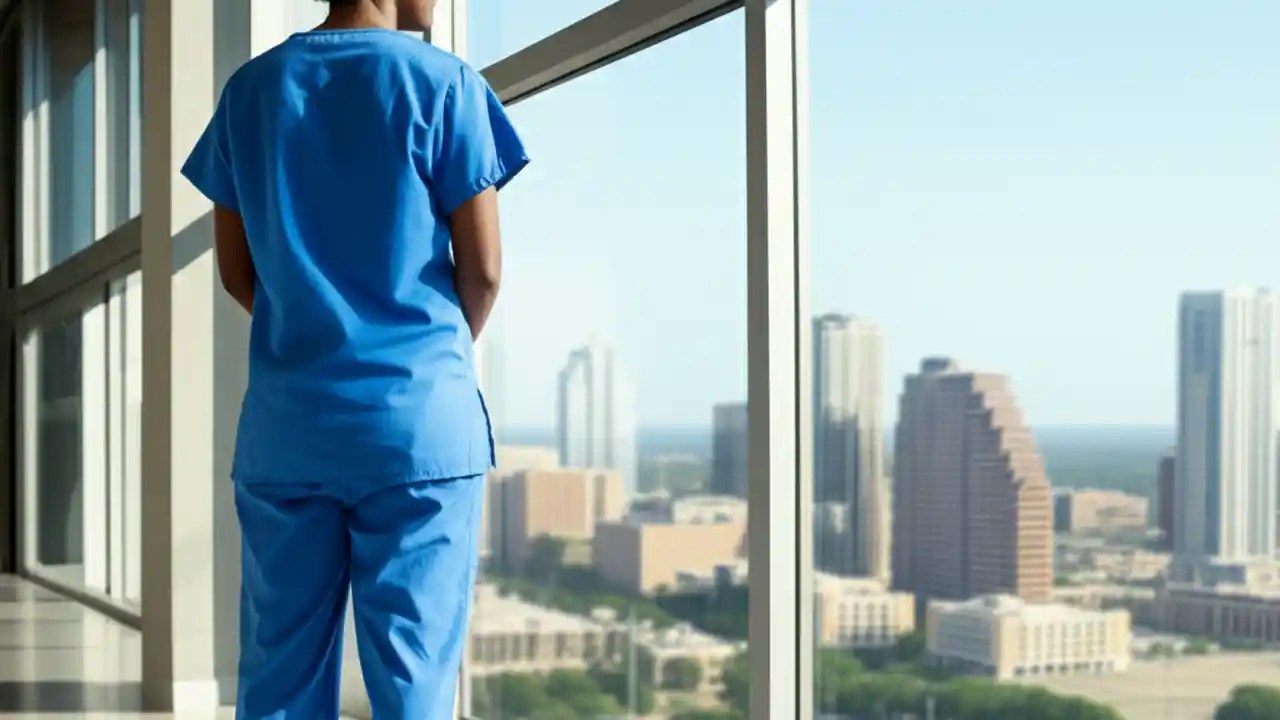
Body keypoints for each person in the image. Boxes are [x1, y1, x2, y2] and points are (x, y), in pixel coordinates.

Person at [180, 0, 527, 717]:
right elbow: (484, 272)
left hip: (290, 427)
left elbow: (238, 274)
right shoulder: (445, 85)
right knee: (413, 683)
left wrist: (313, 330)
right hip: (418, 432)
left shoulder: (250, 91)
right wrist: (423, 349)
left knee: (279, 678)